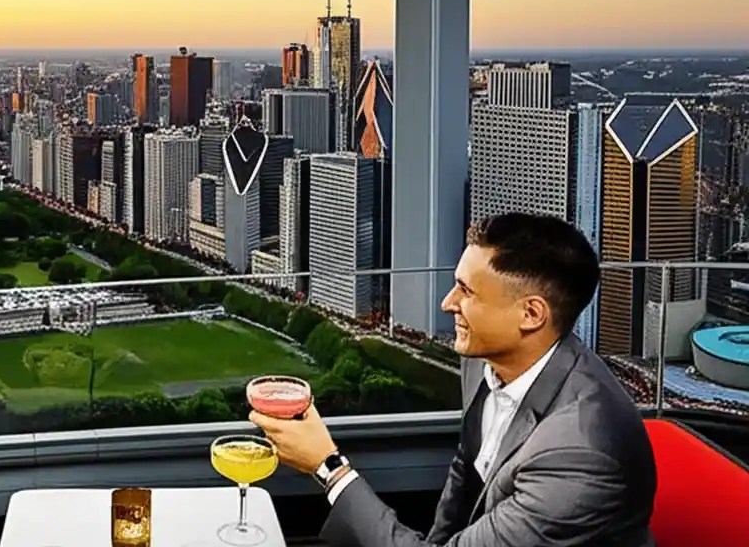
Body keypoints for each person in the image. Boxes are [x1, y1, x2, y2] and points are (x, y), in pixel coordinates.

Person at [252, 212, 657, 546]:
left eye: (467, 291)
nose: (448, 303)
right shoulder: (484, 361)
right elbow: (465, 474)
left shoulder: (578, 454)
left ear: (531, 315)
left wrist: (328, 466)